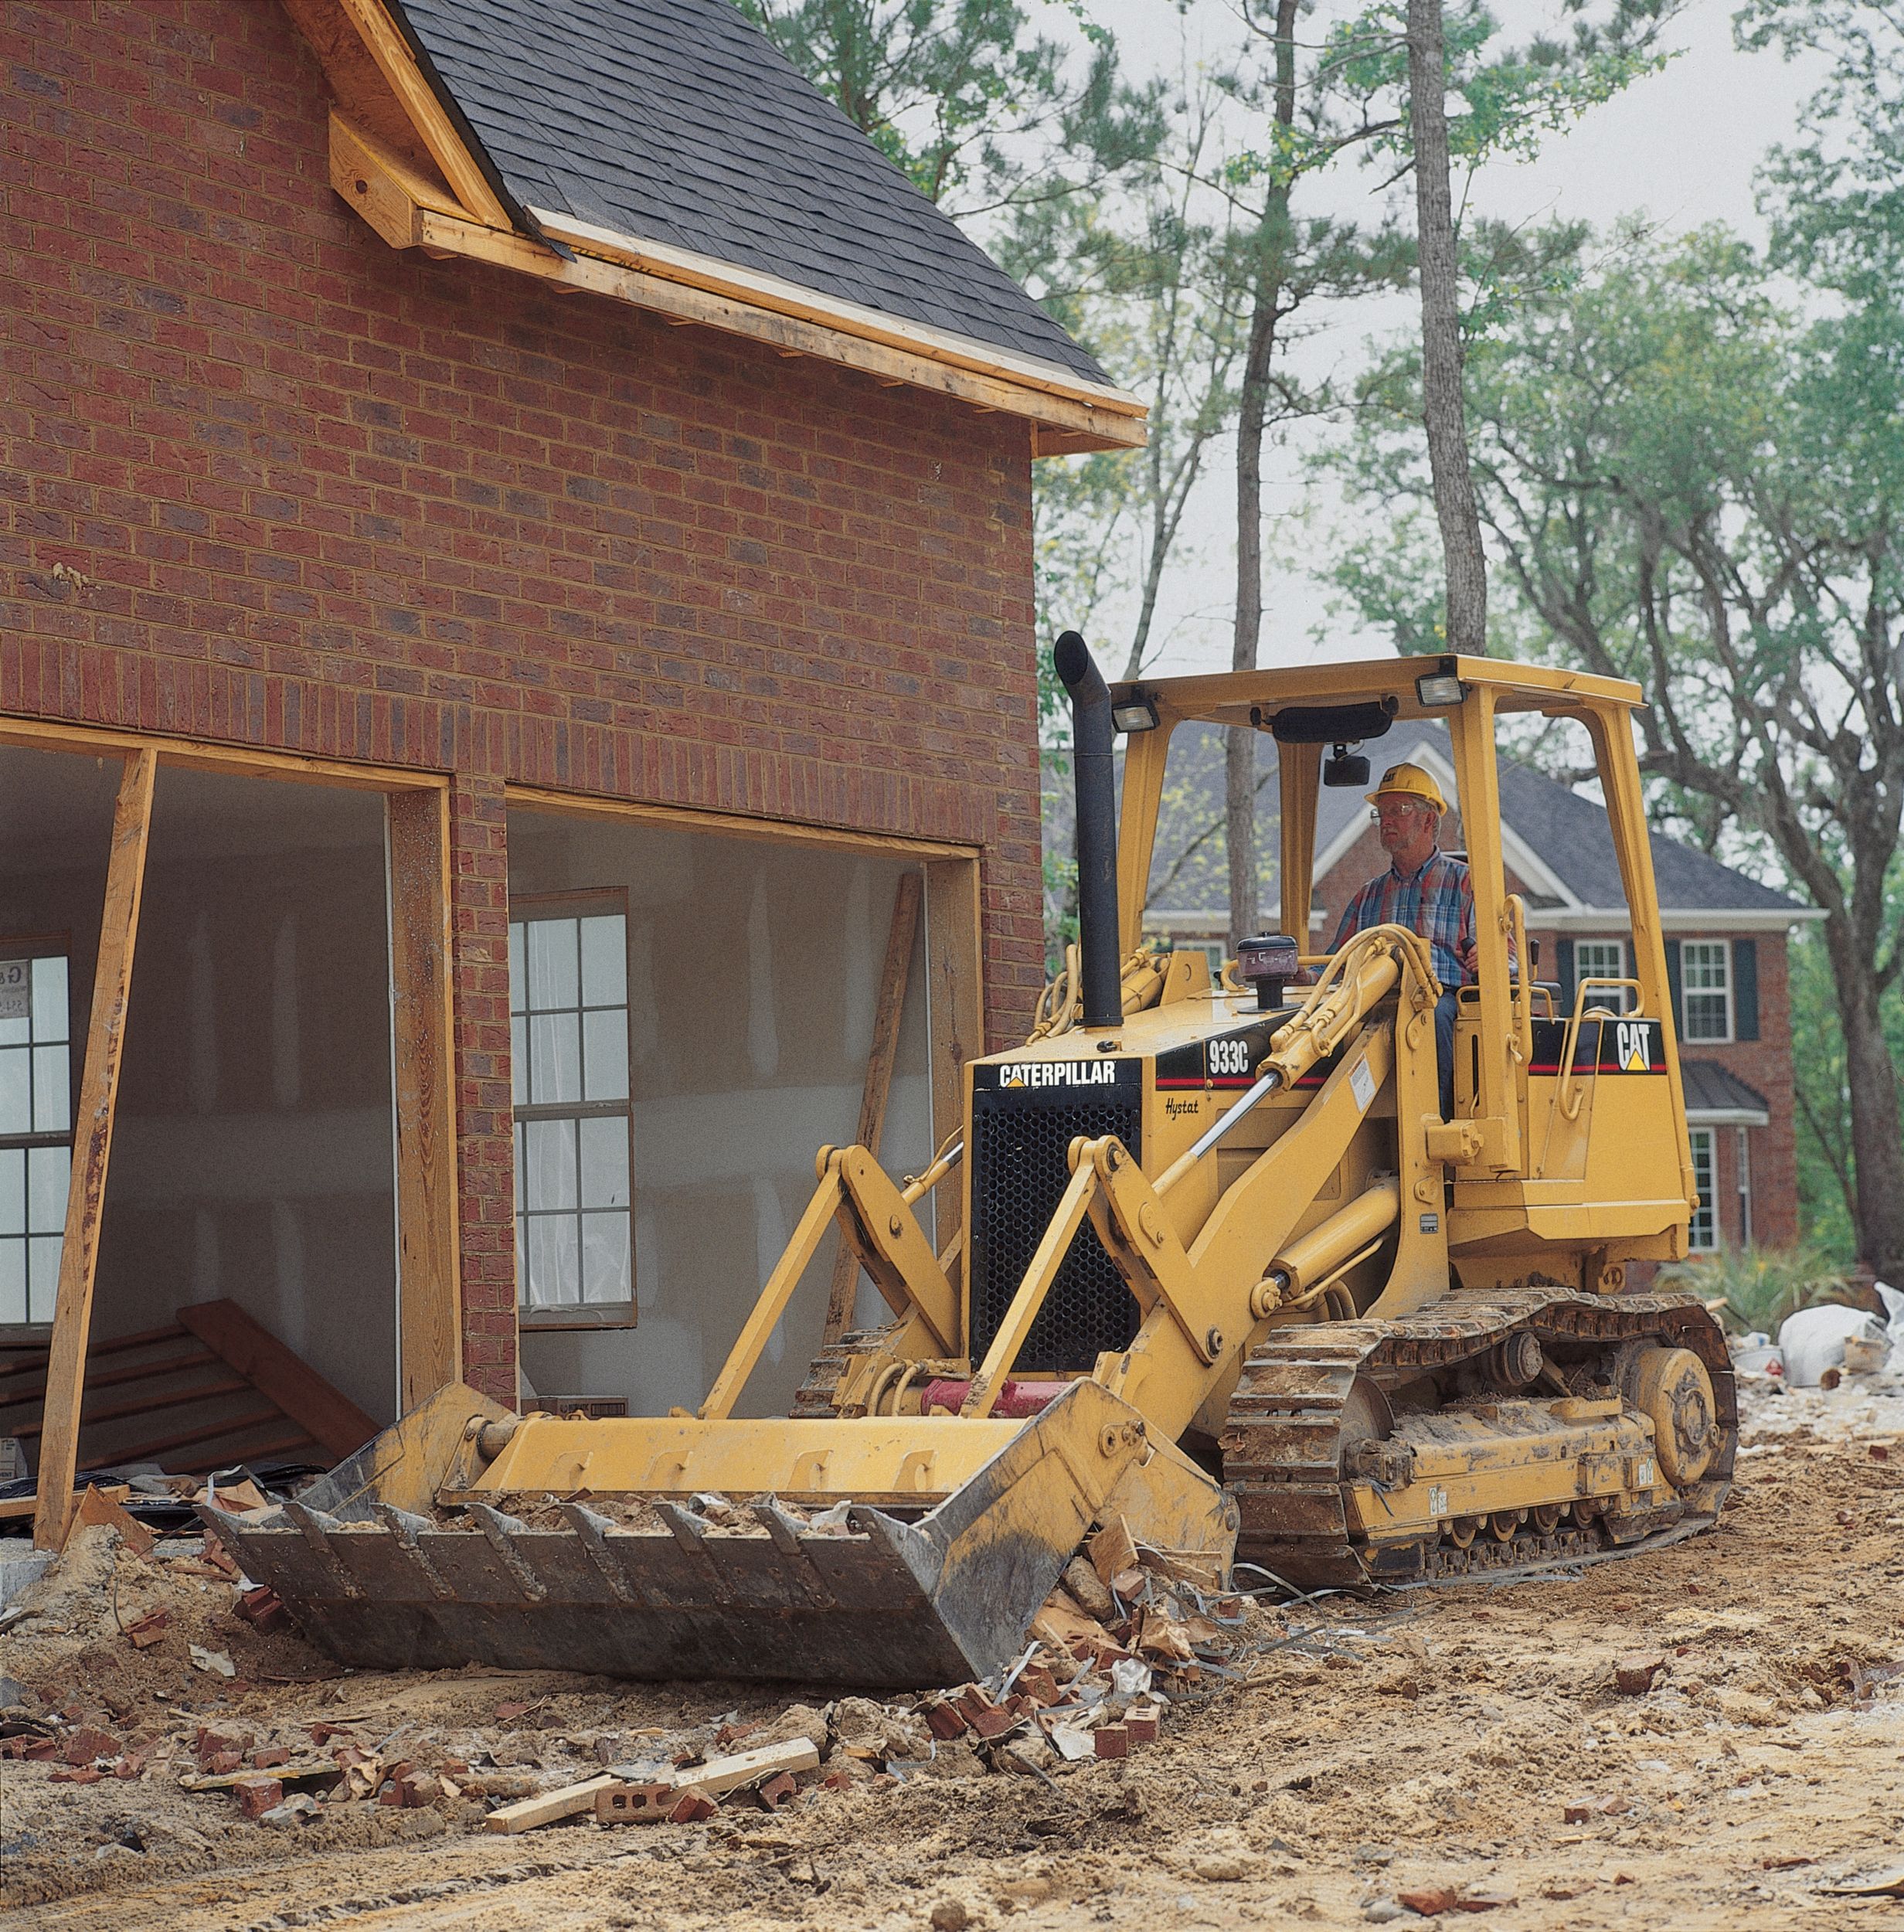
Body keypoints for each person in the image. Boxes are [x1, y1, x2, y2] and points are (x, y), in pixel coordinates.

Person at [1330, 763, 1476, 1121]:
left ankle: (1434, 1124)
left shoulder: (1467, 884)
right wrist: (1300, 975)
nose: (1387, 821)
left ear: (1428, 821)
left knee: (1432, 1015)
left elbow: (1505, 959)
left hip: (1438, 1000)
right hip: (1375, 1002)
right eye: (1382, 812)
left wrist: (1488, 959)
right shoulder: (1369, 896)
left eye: (1399, 811)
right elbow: (1334, 964)